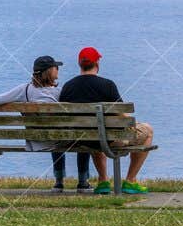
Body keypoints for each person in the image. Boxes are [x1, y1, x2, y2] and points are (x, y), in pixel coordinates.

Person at [0, 55, 92, 192]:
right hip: (59, 140)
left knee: (52, 134)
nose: (58, 70)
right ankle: (82, 182)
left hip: (36, 141)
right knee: (83, 135)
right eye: (56, 68)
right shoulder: (61, 92)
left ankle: (58, 183)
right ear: (50, 71)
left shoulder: (25, 90)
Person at [57, 46, 153, 194]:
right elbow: (123, 116)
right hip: (108, 139)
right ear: (97, 63)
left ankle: (103, 181)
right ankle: (130, 181)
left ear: (79, 64)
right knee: (147, 130)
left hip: (82, 139)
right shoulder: (107, 85)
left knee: (97, 131)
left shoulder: (68, 87)